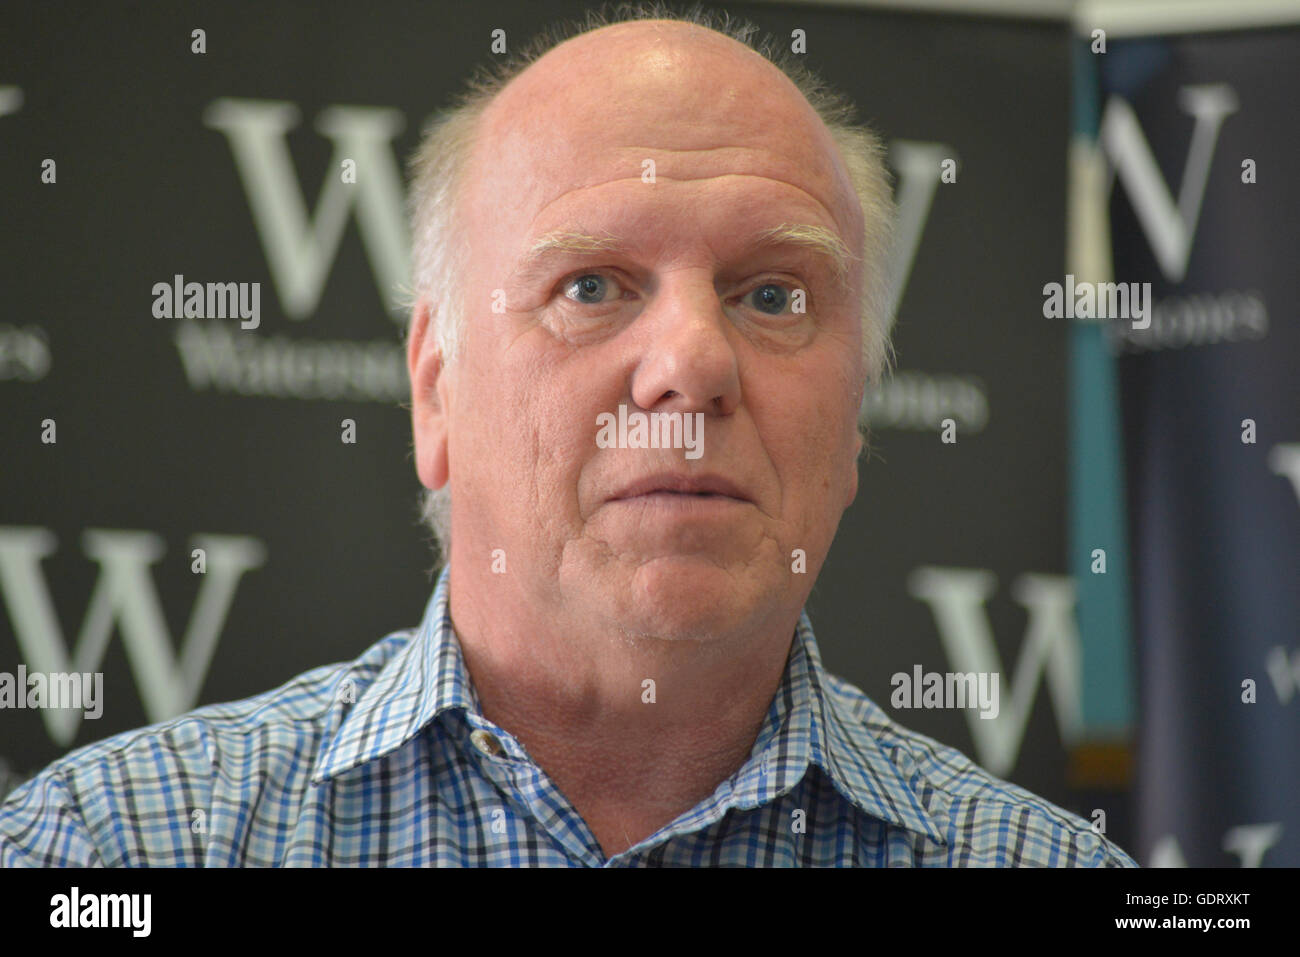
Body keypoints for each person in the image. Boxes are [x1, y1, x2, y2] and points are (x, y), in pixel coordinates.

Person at [0, 4, 1137, 867]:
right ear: (434, 392)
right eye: (591, 284)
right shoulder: (112, 851)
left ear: (854, 422)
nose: (691, 363)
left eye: (774, 295)